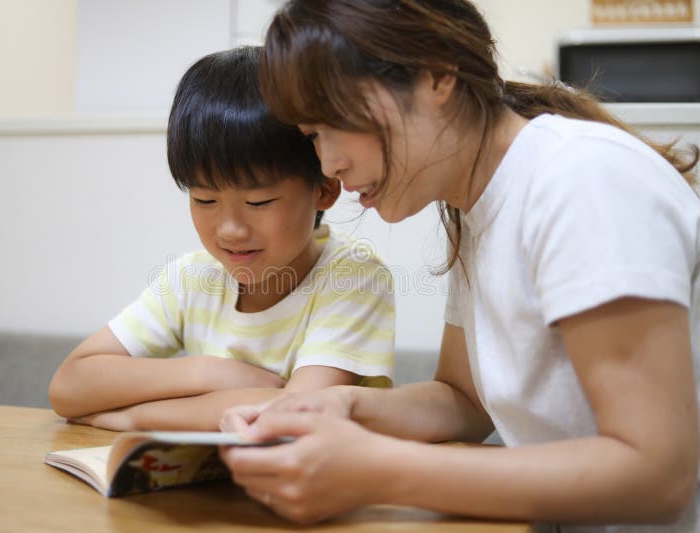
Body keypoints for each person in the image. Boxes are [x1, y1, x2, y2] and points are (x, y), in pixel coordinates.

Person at [218, 2, 700, 531]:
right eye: (313, 136)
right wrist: (337, 409)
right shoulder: (478, 203)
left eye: (334, 123)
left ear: (436, 75)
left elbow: (659, 473)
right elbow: (465, 400)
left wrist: (378, 469)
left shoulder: (579, 179)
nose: (329, 162)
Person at [48, 46, 395, 432]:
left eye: (258, 201)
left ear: (325, 190)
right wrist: (206, 373)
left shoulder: (353, 277)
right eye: (205, 199)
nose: (230, 229)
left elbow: (297, 416)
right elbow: (69, 385)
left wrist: (134, 416)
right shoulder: (193, 278)